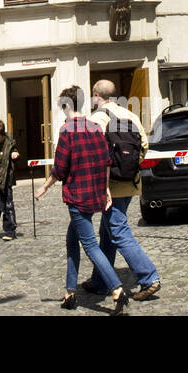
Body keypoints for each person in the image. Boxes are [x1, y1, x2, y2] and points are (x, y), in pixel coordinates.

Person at [35, 86, 128, 313]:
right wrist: (105, 189)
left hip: (78, 196)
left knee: (89, 245)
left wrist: (44, 188)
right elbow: (106, 161)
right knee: (71, 239)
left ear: (67, 106)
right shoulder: (95, 128)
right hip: (94, 193)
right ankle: (70, 293)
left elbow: (60, 169)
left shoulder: (67, 130)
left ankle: (116, 289)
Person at [83, 81, 160, 301]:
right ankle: (101, 281)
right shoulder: (130, 115)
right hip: (130, 184)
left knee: (117, 230)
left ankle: (149, 277)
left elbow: (92, 154)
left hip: (109, 186)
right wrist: (129, 170)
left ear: (96, 95)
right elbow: (144, 146)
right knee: (107, 232)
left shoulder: (97, 118)